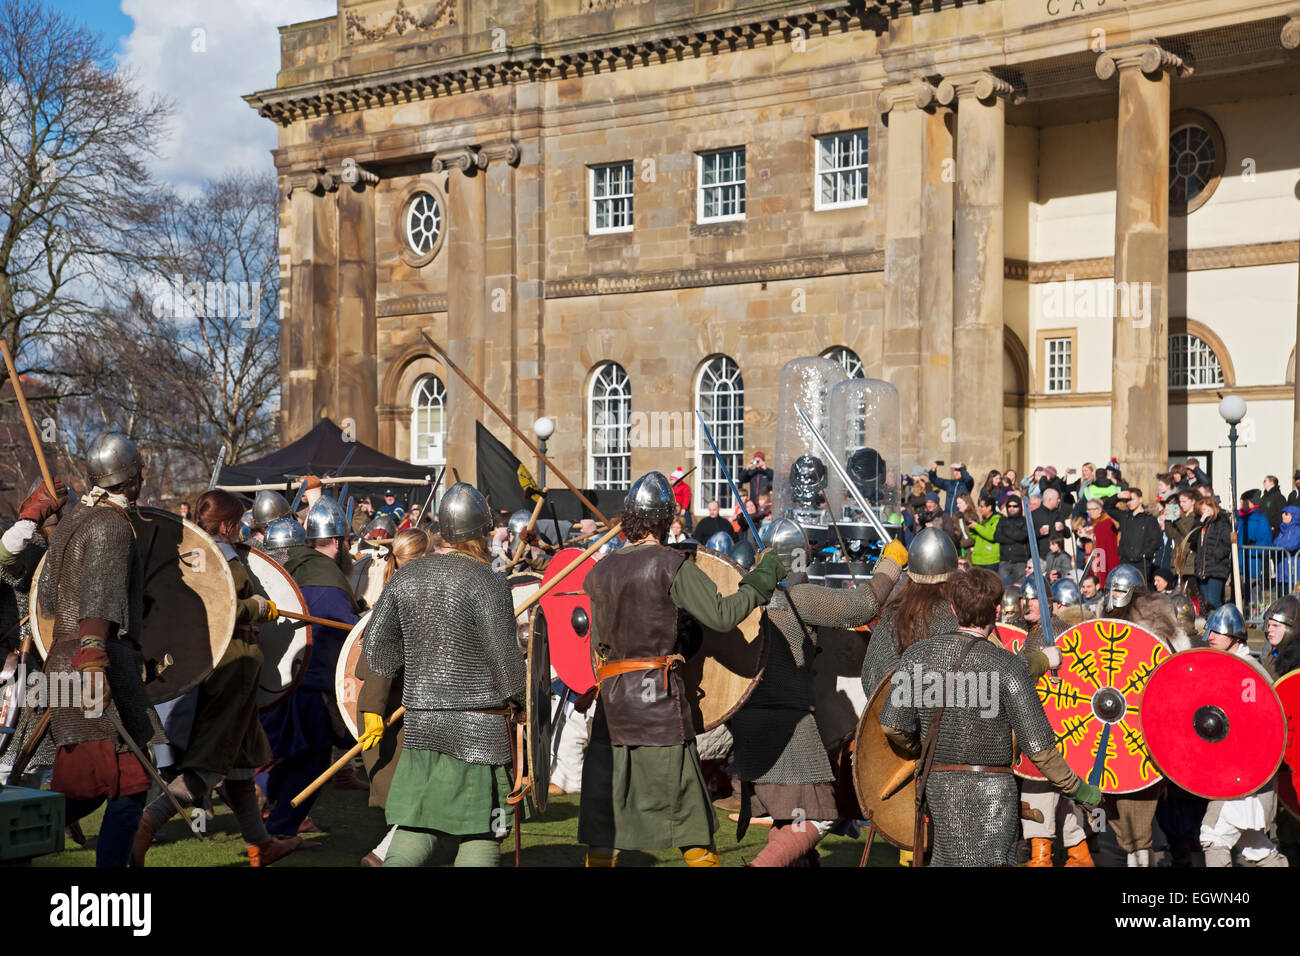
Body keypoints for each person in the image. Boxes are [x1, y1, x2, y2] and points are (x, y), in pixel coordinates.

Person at [578, 472, 784, 868]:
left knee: (605, 828)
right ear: (667, 519)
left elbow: (596, 649)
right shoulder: (670, 565)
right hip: (658, 713)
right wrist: (762, 577)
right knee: (690, 823)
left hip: (611, 712)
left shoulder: (599, 571)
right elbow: (722, 617)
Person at [878, 567, 1102, 866]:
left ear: (954, 608)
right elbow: (1040, 750)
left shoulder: (916, 657)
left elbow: (891, 725)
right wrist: (1080, 790)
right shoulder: (1009, 667)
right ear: (997, 610)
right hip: (995, 792)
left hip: (940, 787)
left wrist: (924, 751)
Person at [132, 490, 301, 867]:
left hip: (220, 663)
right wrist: (253, 608)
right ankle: (146, 822)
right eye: (237, 521)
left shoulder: (189, 555)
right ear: (225, 525)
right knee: (209, 762)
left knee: (238, 764)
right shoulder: (219, 559)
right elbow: (214, 608)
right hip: (233, 665)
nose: (240, 528)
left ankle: (262, 844)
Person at [729, 519, 908, 866]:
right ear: (801, 556)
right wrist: (891, 564)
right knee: (816, 816)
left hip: (748, 721)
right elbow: (863, 605)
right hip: (788, 722)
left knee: (791, 817)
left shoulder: (742, 599)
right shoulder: (798, 597)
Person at [361, 485, 522, 867]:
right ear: (481, 532)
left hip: (422, 725)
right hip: (477, 726)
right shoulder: (487, 580)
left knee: (418, 823)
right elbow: (507, 665)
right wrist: (525, 700)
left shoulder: (407, 576)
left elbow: (377, 650)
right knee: (481, 828)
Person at [38, 433, 156, 867]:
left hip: (67, 663)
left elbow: (50, 597)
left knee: (95, 784)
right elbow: (99, 598)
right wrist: (92, 655)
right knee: (126, 784)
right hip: (93, 663)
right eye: (140, 474)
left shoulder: (72, 522)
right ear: (131, 478)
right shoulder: (110, 524)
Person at [260, 496, 360, 838]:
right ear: (337, 541)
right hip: (311, 681)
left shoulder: (295, 567)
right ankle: (279, 829)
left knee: (289, 753)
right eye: (346, 541)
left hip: (281, 678)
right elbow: (347, 633)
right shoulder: (328, 576)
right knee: (313, 760)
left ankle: (277, 820)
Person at [355, 527, 431, 866]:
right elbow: (377, 662)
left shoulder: (404, 591)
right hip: (394, 708)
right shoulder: (402, 598)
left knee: (422, 789)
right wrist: (373, 709)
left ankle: (386, 853)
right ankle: (384, 855)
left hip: (407, 705)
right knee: (419, 789)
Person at [1198, 604, 1289, 868]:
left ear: (1235, 637)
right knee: (1255, 846)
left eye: (1218, 631)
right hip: (1237, 775)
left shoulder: (1250, 671)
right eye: (1209, 630)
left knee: (1213, 836)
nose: (1210, 635)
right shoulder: (1228, 666)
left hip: (1245, 777)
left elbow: (1264, 730)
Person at [1014, 578, 1092, 867]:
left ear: (1049, 602)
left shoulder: (1059, 631)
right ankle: (1079, 856)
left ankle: (1041, 858)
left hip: (1055, 726)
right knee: (1061, 798)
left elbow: (1078, 680)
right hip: (1039, 721)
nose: (1027, 603)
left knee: (1037, 790)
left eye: (1034, 599)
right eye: (1025, 598)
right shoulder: (1026, 631)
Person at [860, 529, 960, 698]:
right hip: (946, 718)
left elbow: (872, 680)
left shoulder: (893, 614)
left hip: (896, 716)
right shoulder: (959, 615)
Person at [1103, 488, 1162, 580]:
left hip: (1141, 564)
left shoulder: (1149, 519)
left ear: (1140, 499)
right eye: (1127, 500)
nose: (1129, 502)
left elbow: (1156, 540)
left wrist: (1144, 554)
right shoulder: (1124, 516)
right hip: (1125, 561)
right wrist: (1118, 497)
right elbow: (1107, 507)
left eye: (1132, 499)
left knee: (1141, 591)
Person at [1189, 496, 1232, 610]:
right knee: (1205, 601)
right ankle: (1211, 623)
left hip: (1216, 568)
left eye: (1207, 510)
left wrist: (1216, 556)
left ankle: (1223, 620)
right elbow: (1191, 539)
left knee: (1214, 599)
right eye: (1202, 510)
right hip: (1203, 568)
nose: (1205, 513)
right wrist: (1200, 522)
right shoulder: (1201, 524)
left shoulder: (1222, 522)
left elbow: (1227, 543)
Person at [1076, 497, 1119, 579]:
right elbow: (1080, 545)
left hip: (1104, 560)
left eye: (1092, 509)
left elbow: (1106, 540)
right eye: (1088, 510)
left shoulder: (1108, 522)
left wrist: (1088, 535)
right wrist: (1081, 537)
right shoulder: (1089, 523)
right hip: (1091, 561)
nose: (1089, 512)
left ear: (1100, 509)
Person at [992, 496, 1029, 586]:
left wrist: (1006, 531)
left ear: (1020, 507)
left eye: (1015, 506)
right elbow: (996, 536)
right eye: (1009, 506)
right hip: (1005, 561)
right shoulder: (1002, 520)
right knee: (1004, 588)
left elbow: (1022, 536)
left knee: (1020, 588)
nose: (1011, 508)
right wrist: (1014, 538)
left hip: (1020, 561)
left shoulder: (1024, 521)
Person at [967, 494, 1000, 574]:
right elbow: (978, 537)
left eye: (982, 506)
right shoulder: (983, 521)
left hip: (990, 561)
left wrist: (977, 526)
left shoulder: (997, 519)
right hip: (977, 560)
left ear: (989, 507)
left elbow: (991, 535)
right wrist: (972, 529)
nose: (979, 509)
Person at [1274, 506, 1300, 590]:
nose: (1283, 516)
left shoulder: (1297, 530)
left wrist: (1280, 545)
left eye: (1286, 514)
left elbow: (1292, 545)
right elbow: (1275, 543)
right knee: (1281, 597)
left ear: (1294, 516)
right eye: (1282, 513)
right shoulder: (1282, 529)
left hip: (1293, 570)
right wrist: (1281, 545)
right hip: (1282, 569)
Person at [669, 467, 692, 533]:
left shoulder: (685, 487)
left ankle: (688, 529)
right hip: (673, 507)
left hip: (682, 507)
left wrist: (684, 508)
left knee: (685, 516)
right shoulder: (671, 487)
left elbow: (686, 498)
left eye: (672, 480)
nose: (671, 481)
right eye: (671, 480)